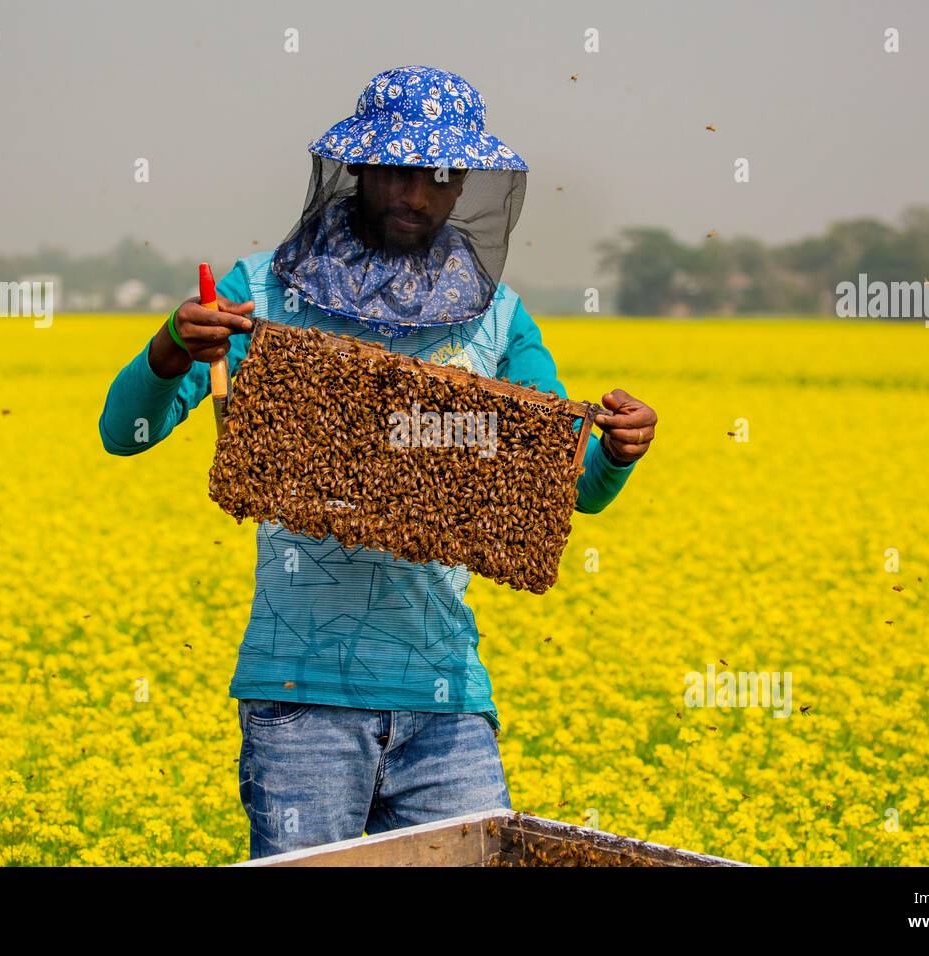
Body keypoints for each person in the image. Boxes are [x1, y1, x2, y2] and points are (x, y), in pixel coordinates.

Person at [99, 65, 657, 860]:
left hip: (449, 701)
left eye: (438, 175)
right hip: (300, 699)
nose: (415, 194)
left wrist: (618, 452)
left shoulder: (497, 315)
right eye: (397, 169)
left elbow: (566, 488)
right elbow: (126, 433)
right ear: (357, 164)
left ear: (463, 184)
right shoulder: (261, 291)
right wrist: (168, 348)